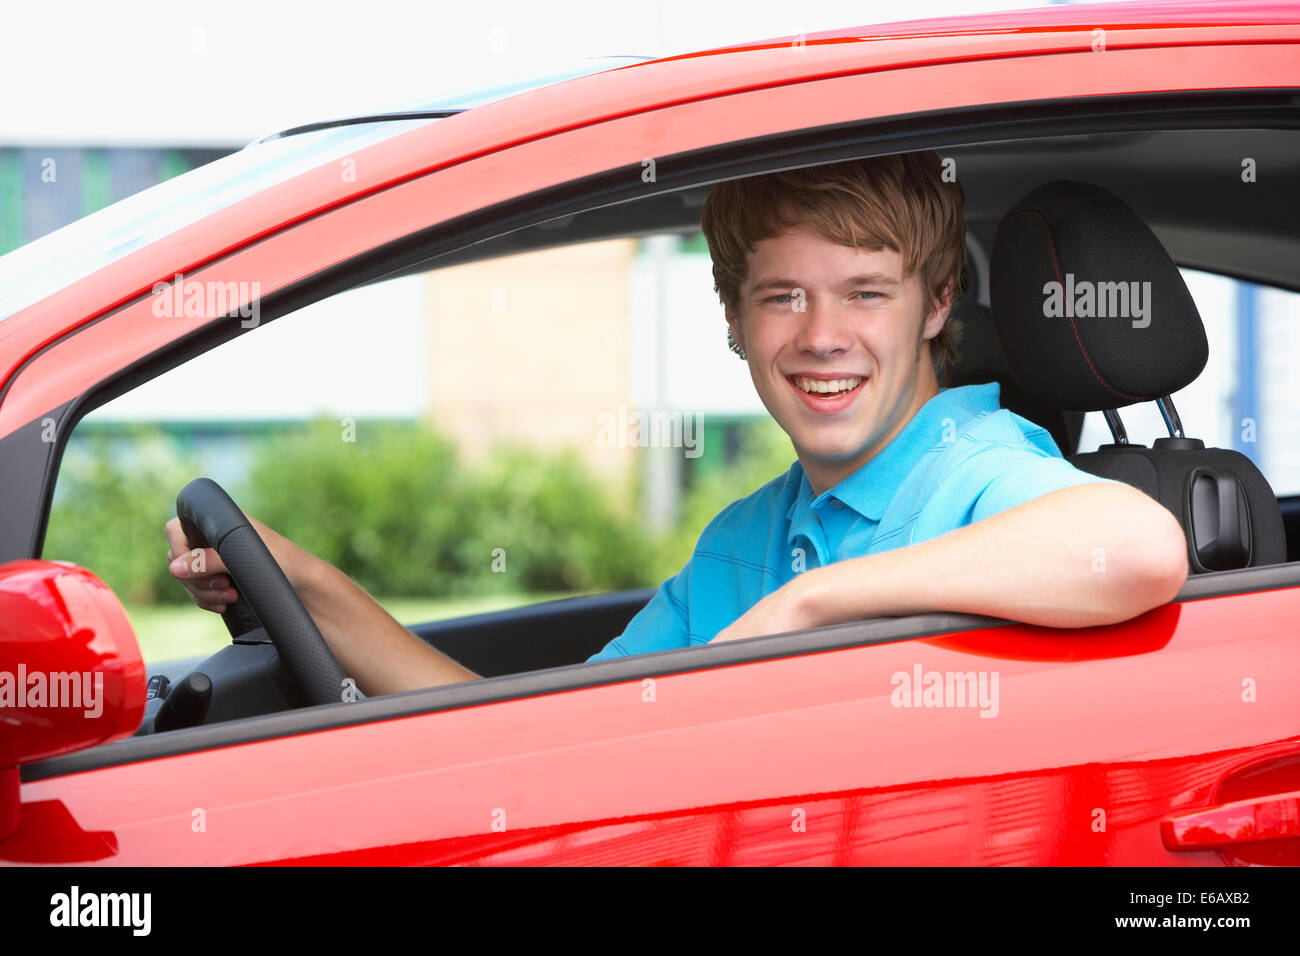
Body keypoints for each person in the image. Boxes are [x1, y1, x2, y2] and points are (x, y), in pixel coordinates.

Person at [166, 152, 1189, 693]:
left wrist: (813, 604)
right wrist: (302, 580)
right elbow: (558, 731)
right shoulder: (745, 536)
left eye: (865, 293)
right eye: (781, 295)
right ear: (735, 322)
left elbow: (1135, 545)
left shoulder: (972, 462)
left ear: (933, 307)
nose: (820, 335)